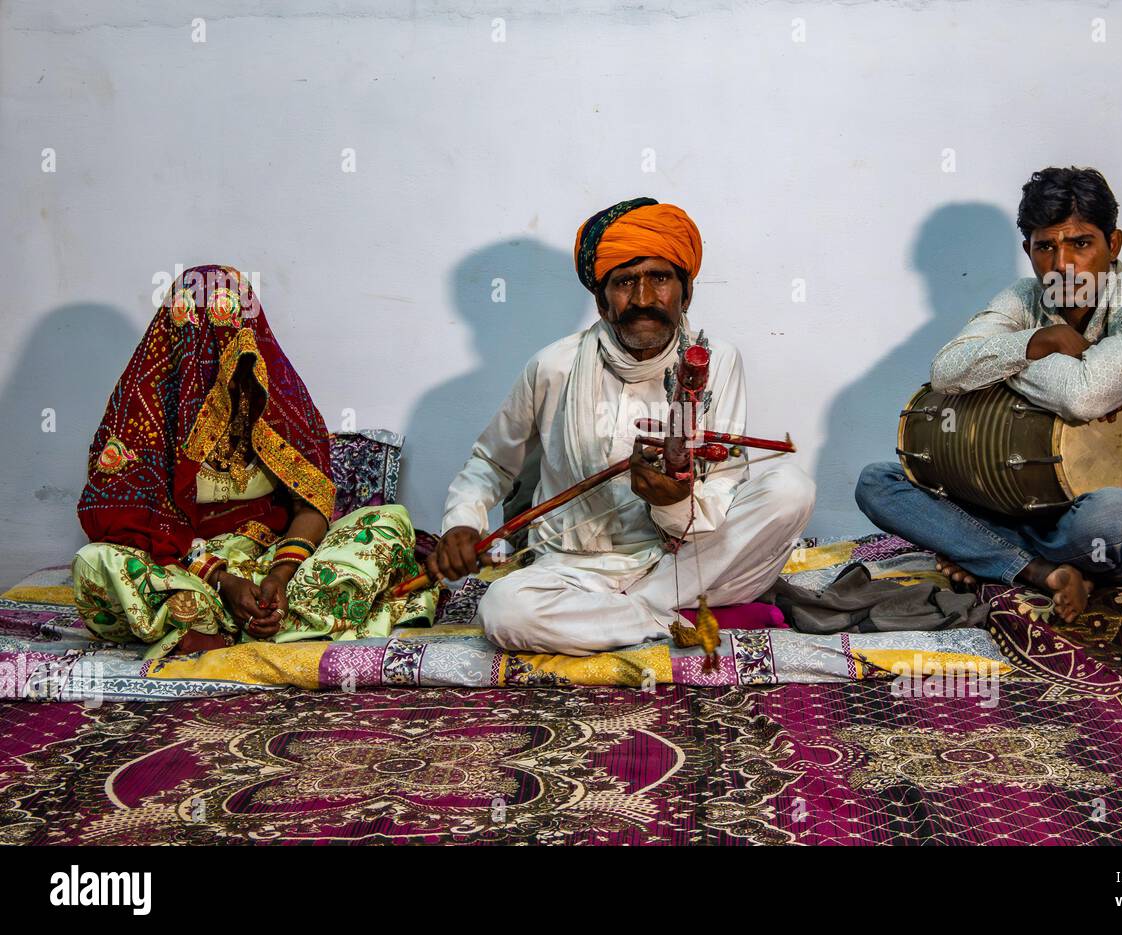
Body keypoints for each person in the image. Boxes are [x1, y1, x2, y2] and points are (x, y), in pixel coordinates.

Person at [430, 198, 816, 654]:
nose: (643, 299)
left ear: (686, 292)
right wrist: (462, 524)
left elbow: (724, 485)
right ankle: (673, 615)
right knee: (505, 611)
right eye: (624, 282)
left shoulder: (717, 360)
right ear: (600, 299)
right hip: (574, 568)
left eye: (659, 278)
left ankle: (632, 614)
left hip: (683, 559)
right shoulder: (554, 365)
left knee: (791, 486)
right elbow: (491, 463)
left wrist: (673, 504)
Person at [856, 167, 1122, 622]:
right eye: (1046, 247)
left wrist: (1005, 363)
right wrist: (1037, 341)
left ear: (1113, 244)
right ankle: (1043, 571)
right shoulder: (1024, 299)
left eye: (1080, 243)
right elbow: (946, 371)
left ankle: (981, 549)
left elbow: (1085, 395)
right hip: (1035, 506)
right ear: (1029, 250)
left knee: (1108, 517)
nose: (1062, 264)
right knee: (880, 481)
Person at [73, 265, 421, 656]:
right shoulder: (143, 408)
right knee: (94, 564)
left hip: (271, 560)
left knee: (390, 522)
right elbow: (118, 523)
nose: (220, 357)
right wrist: (222, 580)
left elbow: (312, 503)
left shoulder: (275, 397)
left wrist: (281, 575)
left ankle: (234, 626)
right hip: (187, 569)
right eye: (205, 344)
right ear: (175, 336)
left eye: (233, 340)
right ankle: (274, 626)